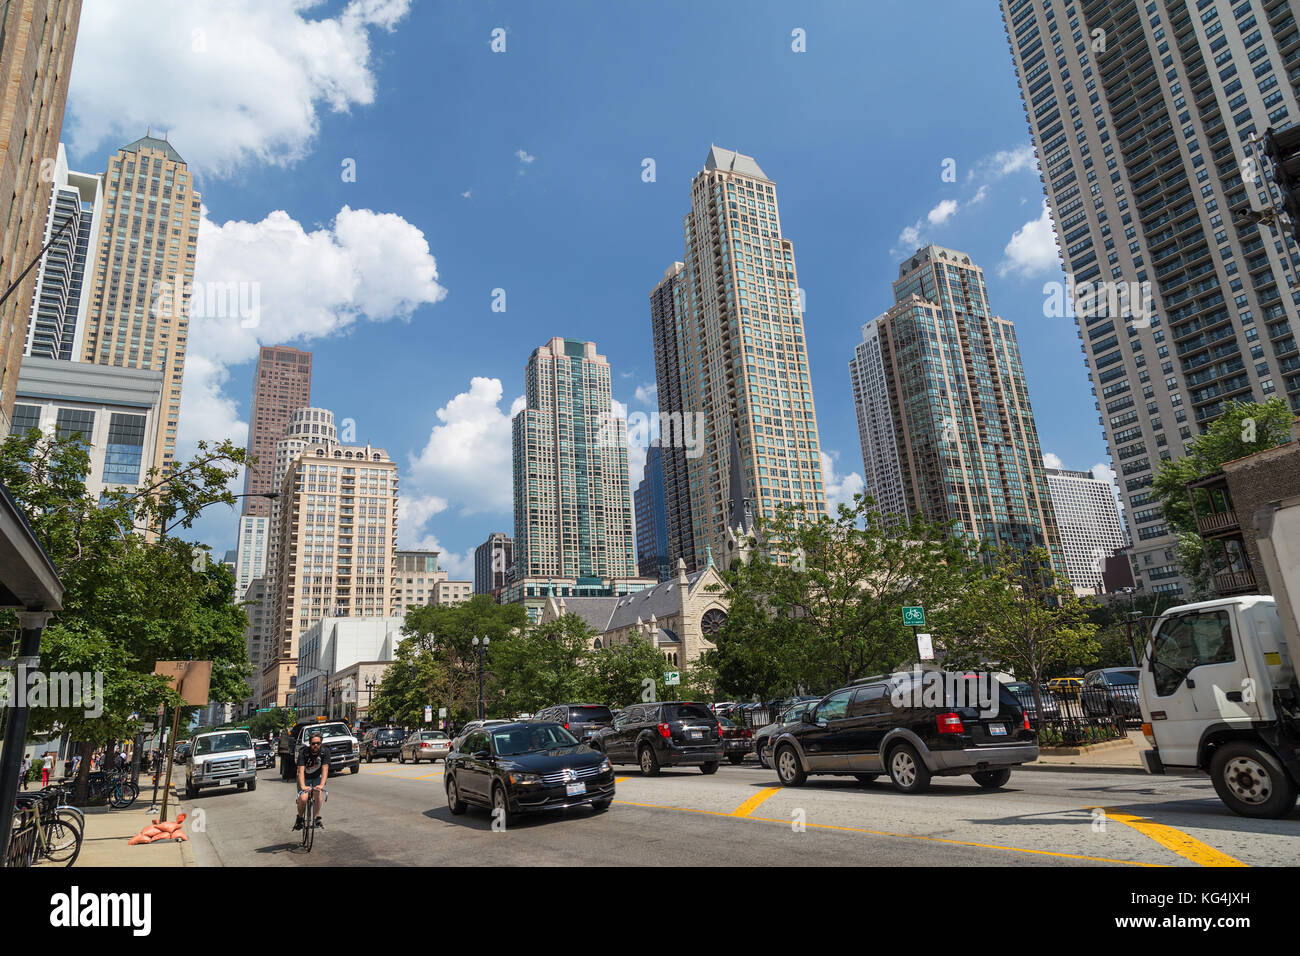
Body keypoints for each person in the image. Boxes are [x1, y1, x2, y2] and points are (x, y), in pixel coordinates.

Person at [294, 732, 329, 831]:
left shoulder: (325, 751)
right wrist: (303, 786)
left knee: (318, 793)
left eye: (318, 743)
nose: (316, 745)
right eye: (313, 743)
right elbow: (300, 771)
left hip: (317, 776)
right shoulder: (303, 753)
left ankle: (316, 818)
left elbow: (325, 769)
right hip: (304, 777)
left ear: (321, 743)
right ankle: (300, 818)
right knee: (304, 798)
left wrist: (321, 785)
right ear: (309, 744)